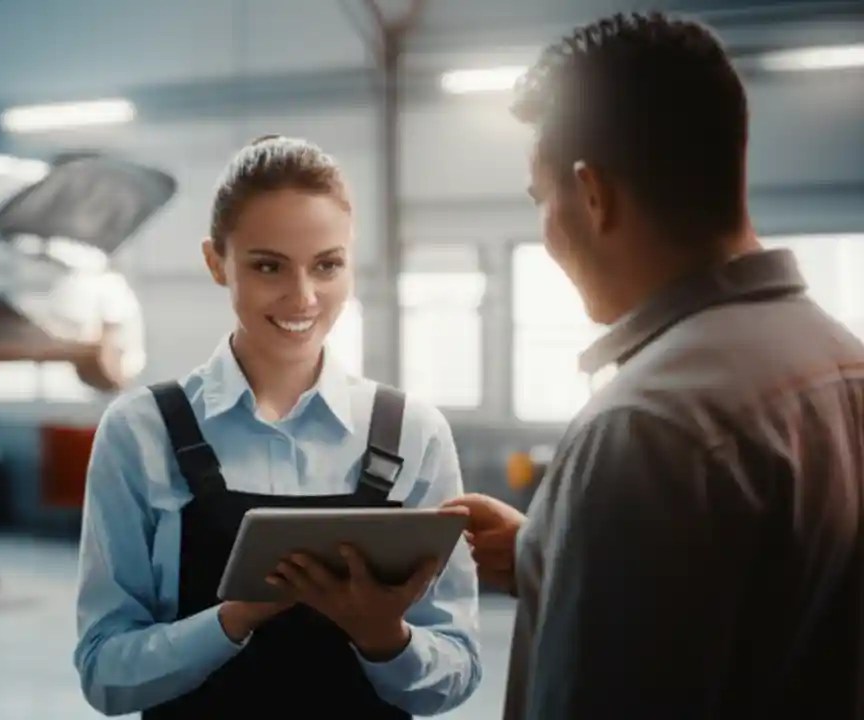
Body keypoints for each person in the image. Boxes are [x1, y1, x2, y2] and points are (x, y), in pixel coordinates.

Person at [443, 11, 864, 720]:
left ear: (594, 195)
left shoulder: (646, 427)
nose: (545, 229)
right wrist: (549, 551)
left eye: (542, 200)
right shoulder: (840, 363)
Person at [73, 135, 481, 718]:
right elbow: (105, 674)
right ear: (216, 262)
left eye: (327, 265)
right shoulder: (140, 432)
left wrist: (386, 639)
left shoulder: (414, 433)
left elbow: (456, 671)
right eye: (269, 266)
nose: (303, 297)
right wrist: (232, 620)